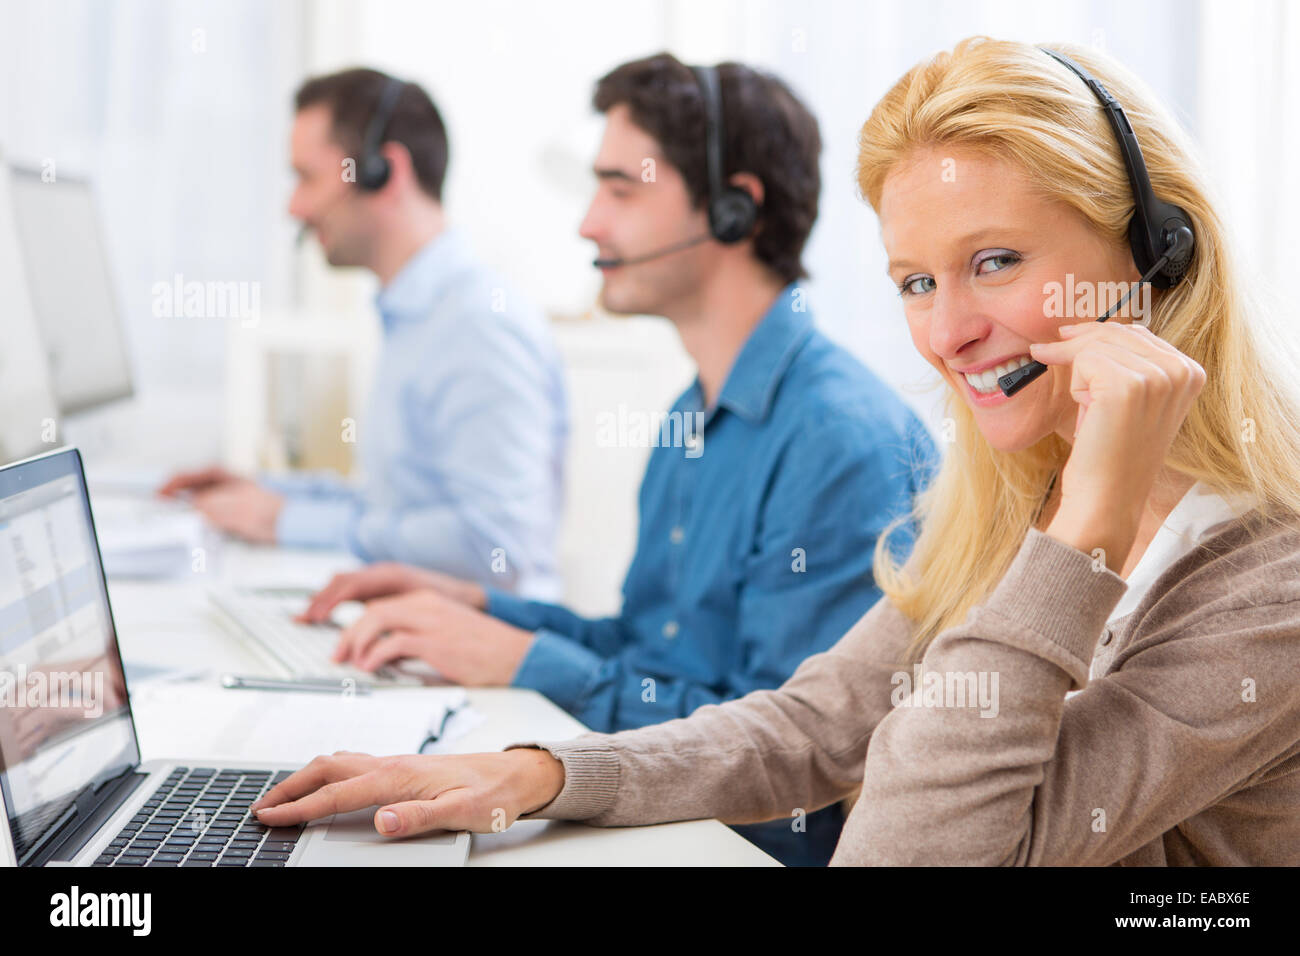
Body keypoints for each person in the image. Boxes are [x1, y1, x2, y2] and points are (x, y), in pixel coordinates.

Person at [255, 40, 1300, 867]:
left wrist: (1084, 535)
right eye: (916, 283)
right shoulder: (1015, 498)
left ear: (1159, 251)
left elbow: (903, 849)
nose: (944, 335)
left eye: (994, 261)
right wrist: (536, 773)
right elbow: (817, 720)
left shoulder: (1267, 587)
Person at [288, 54, 939, 867]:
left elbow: (789, 771)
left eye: (621, 190)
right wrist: (484, 608)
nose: (589, 223)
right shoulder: (690, 414)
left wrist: (528, 661)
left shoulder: (840, 441)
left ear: (735, 209)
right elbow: (649, 652)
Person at [158, 68, 568, 598]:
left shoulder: (477, 325)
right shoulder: (418, 314)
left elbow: (497, 548)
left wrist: (283, 522)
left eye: (307, 178)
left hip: (479, 654)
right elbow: (394, 507)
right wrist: (271, 495)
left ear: (383, 171)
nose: (294, 207)